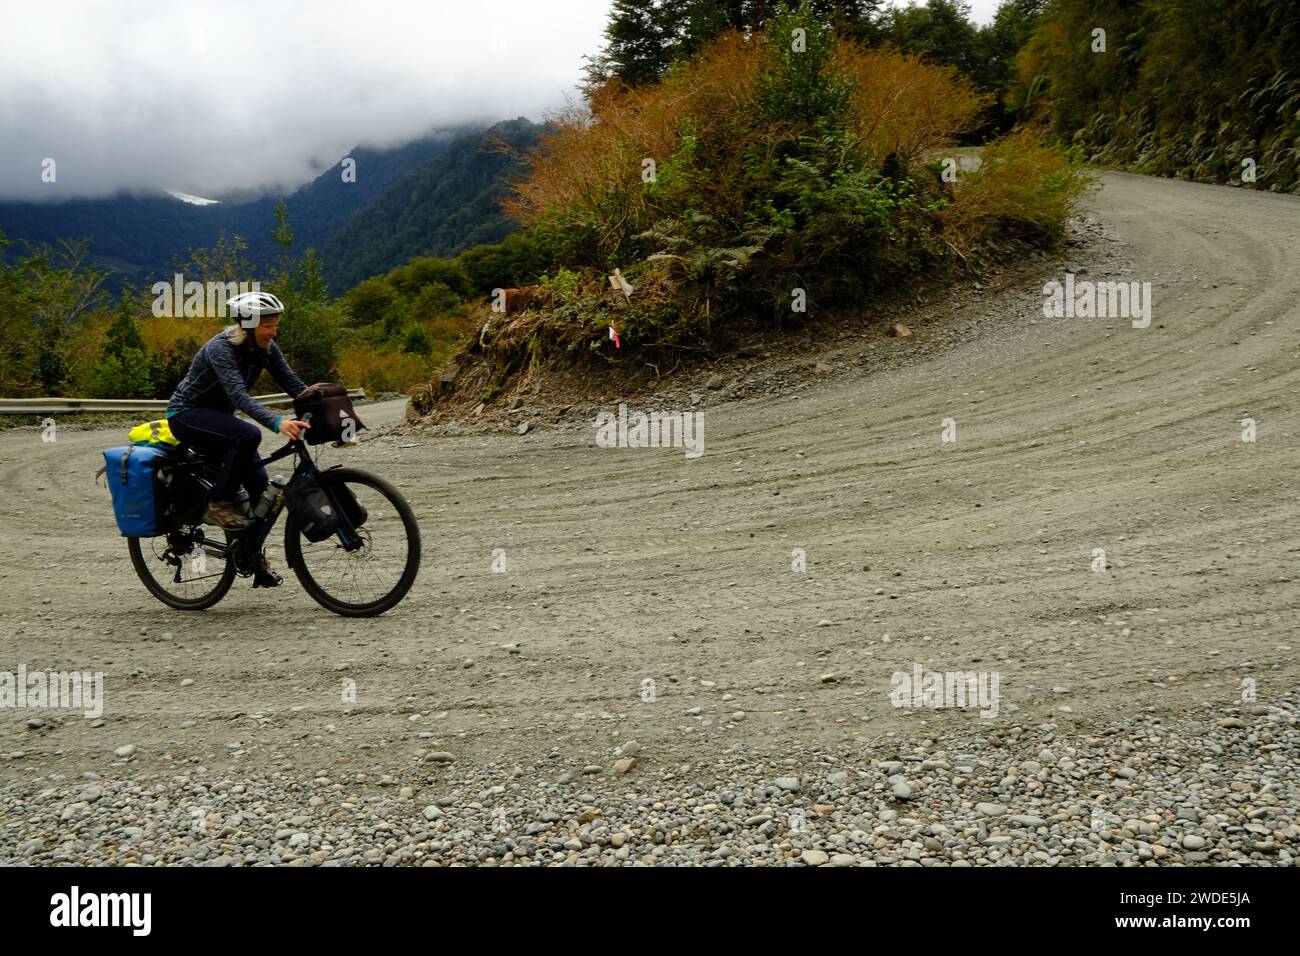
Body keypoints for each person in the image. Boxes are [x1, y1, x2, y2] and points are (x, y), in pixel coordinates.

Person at [166, 291, 311, 533]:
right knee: (248, 434)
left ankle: (251, 560)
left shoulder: (267, 348)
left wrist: (329, 406)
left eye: (275, 325)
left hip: (220, 419)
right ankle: (217, 504)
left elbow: (294, 385)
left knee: (260, 494)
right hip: (185, 414)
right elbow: (238, 396)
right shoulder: (221, 348)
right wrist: (278, 423)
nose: (274, 332)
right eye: (267, 326)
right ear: (249, 325)